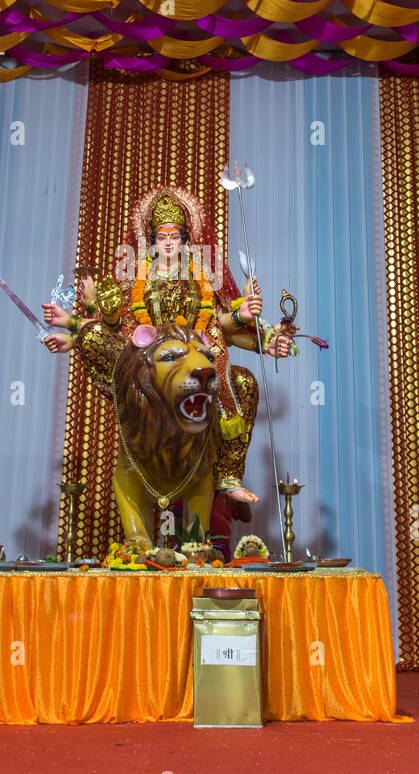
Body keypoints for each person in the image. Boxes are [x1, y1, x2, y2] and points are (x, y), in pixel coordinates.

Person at [41, 185, 296, 525]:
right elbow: (119, 325)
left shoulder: (200, 276)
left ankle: (228, 476)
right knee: (101, 343)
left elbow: (217, 327)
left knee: (244, 384)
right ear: (152, 240)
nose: (169, 242)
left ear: (185, 238)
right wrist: (73, 331)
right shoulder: (138, 278)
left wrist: (247, 319)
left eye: (175, 235)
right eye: (162, 236)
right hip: (154, 370)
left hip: (196, 361)